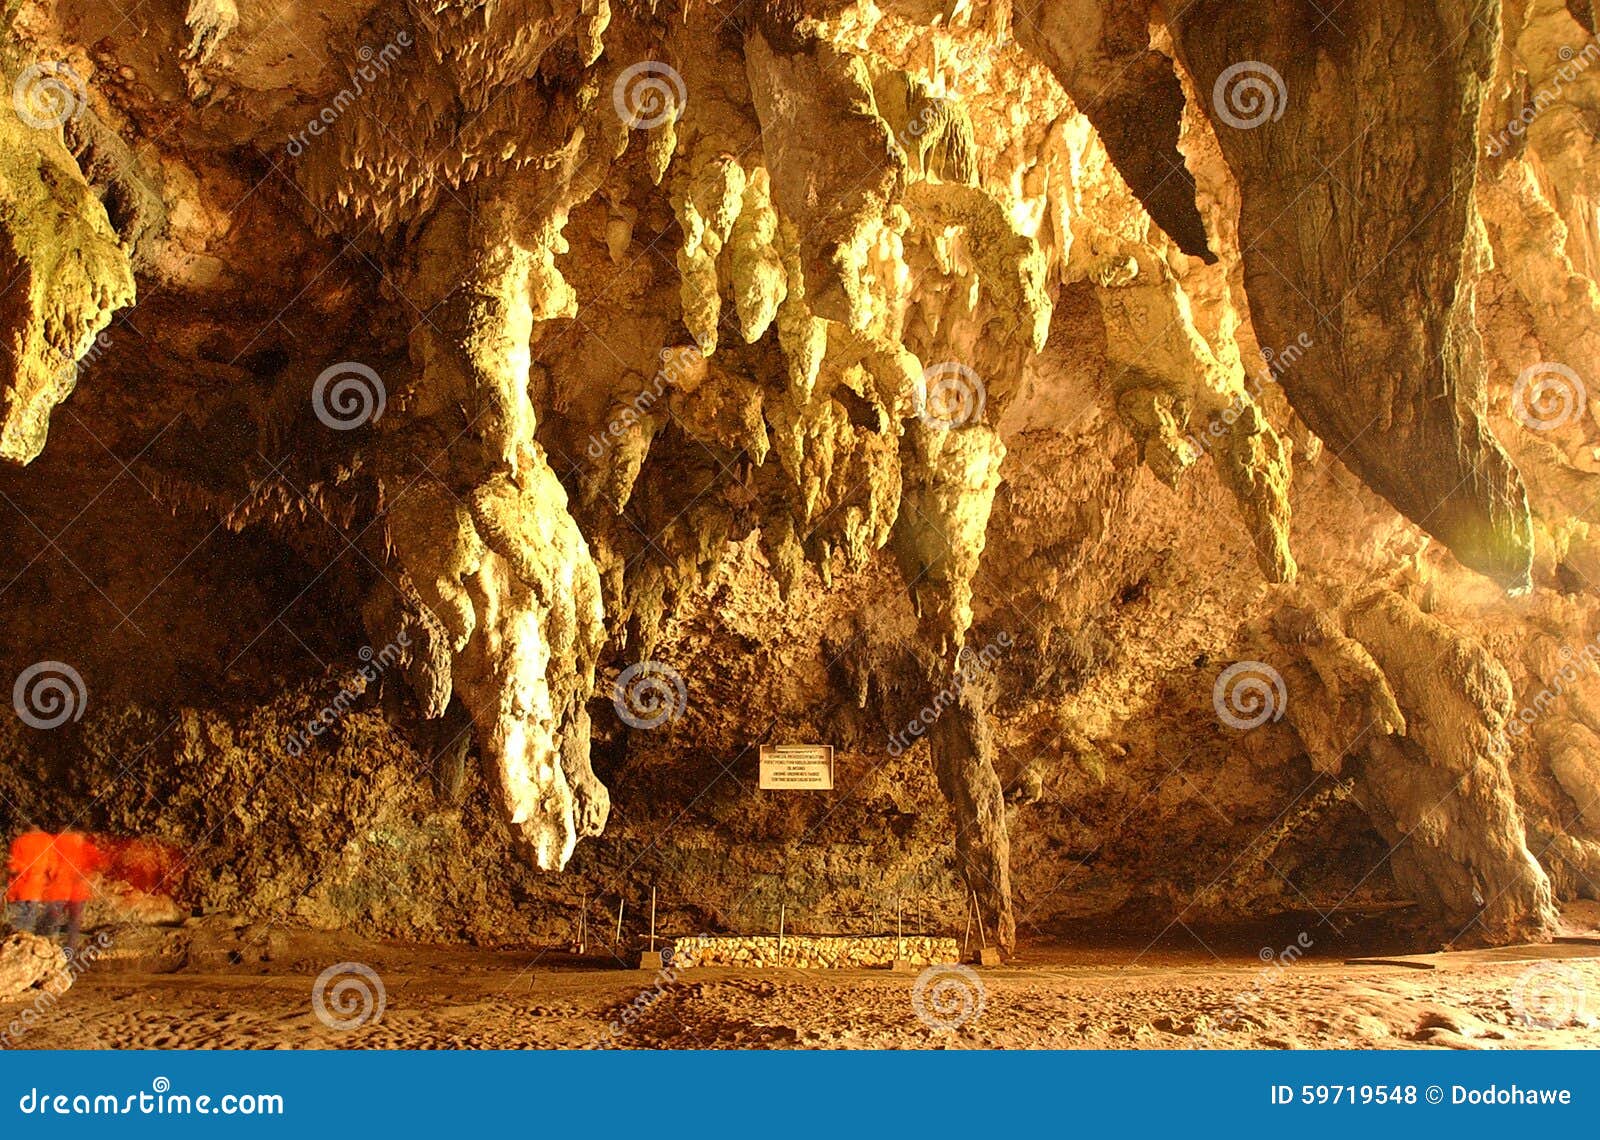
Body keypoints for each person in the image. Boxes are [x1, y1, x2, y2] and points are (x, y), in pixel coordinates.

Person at [38, 830, 99, 953]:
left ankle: (49, 949)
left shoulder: (55, 842)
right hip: (76, 891)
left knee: (53, 919)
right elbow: (95, 862)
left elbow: (48, 865)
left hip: (60, 890)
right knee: (73, 923)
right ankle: (68, 953)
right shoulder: (84, 845)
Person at [6, 828, 54, 934]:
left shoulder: (19, 841)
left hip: (18, 889)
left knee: (16, 926)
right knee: (30, 924)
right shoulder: (48, 840)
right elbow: (52, 868)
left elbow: (12, 867)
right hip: (36, 889)